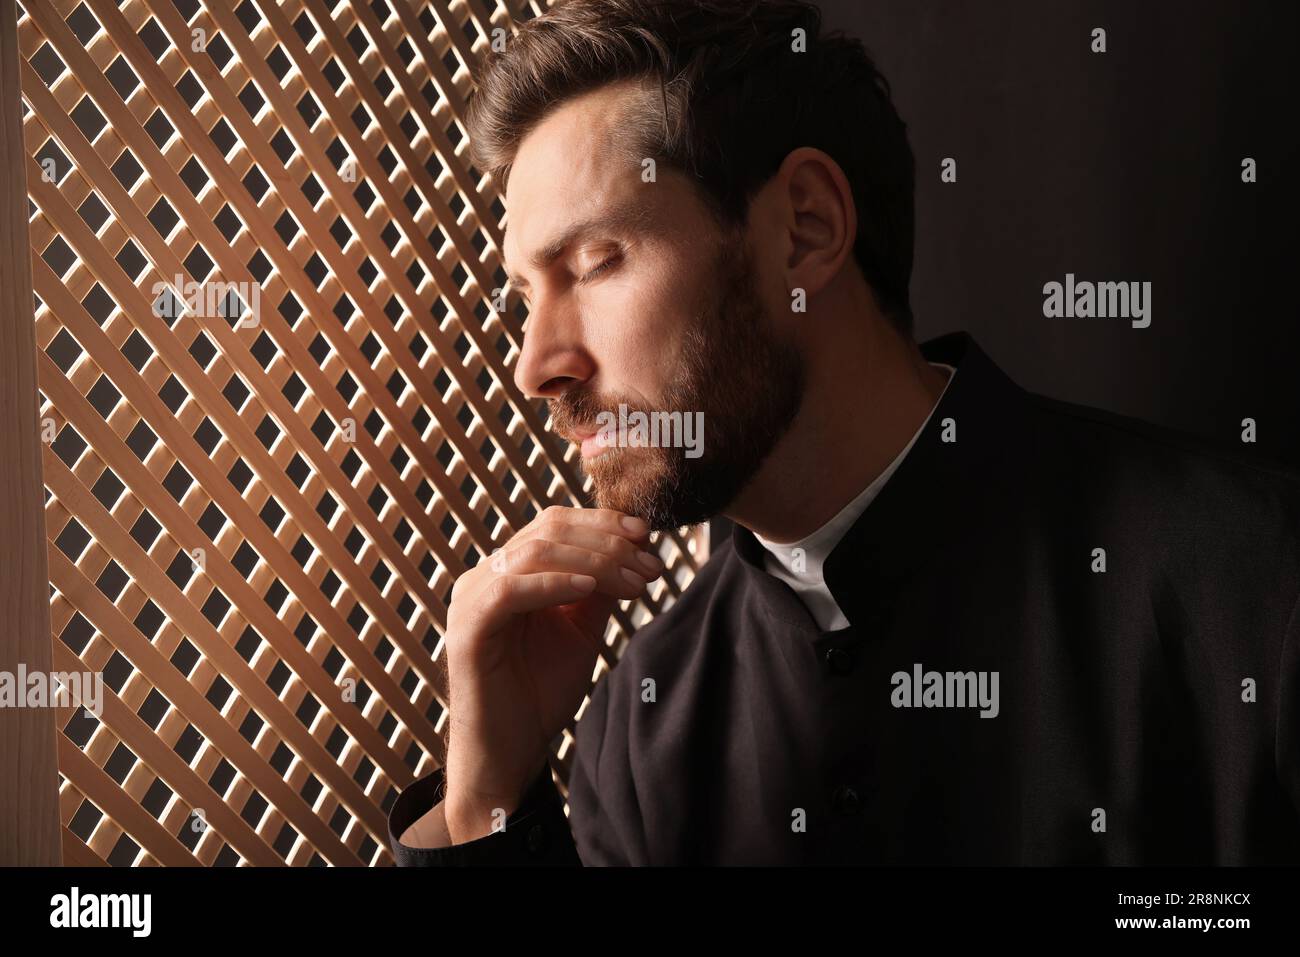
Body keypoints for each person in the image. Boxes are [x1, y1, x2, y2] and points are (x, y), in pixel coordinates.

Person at [385, 0, 1300, 865]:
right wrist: (485, 802)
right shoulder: (638, 731)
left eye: (595, 262)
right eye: (522, 297)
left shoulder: (1257, 585)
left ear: (806, 229)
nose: (535, 363)